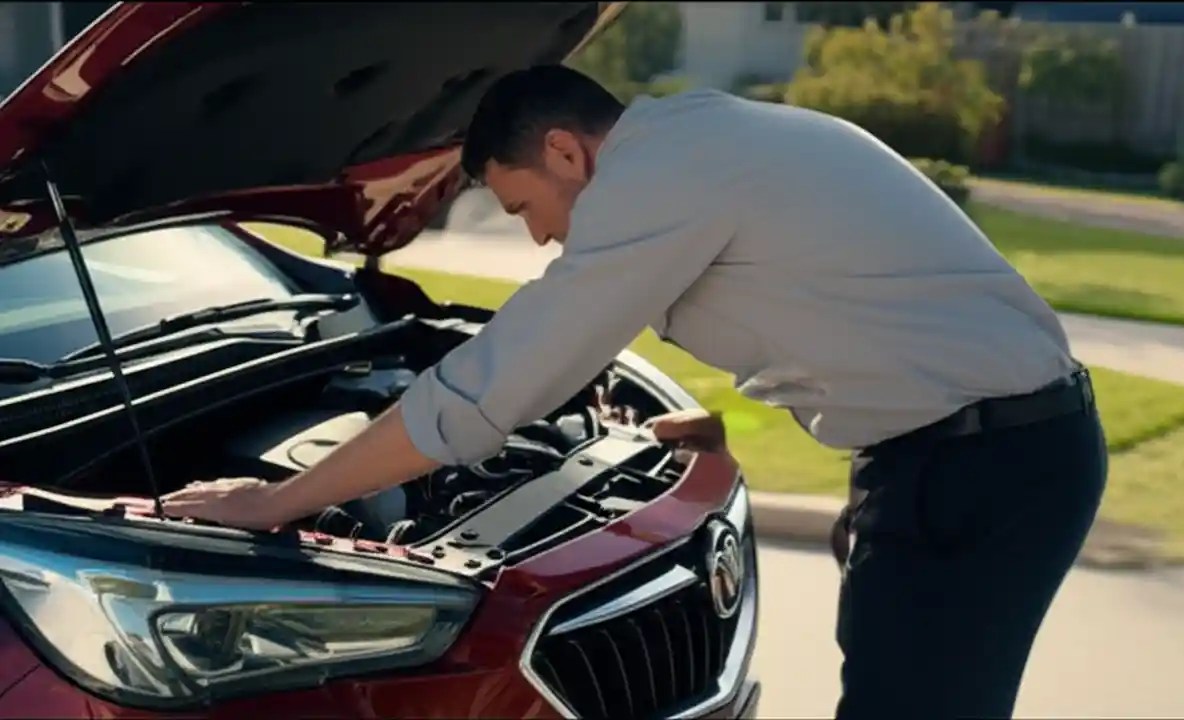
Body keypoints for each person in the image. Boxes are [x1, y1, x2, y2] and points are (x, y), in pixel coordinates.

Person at [162, 65, 1108, 719]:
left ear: (568, 154)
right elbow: (830, 298)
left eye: (525, 207)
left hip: (986, 462)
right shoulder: (703, 138)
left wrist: (278, 499)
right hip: (957, 453)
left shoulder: (663, 176)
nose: (536, 238)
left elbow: (498, 383)